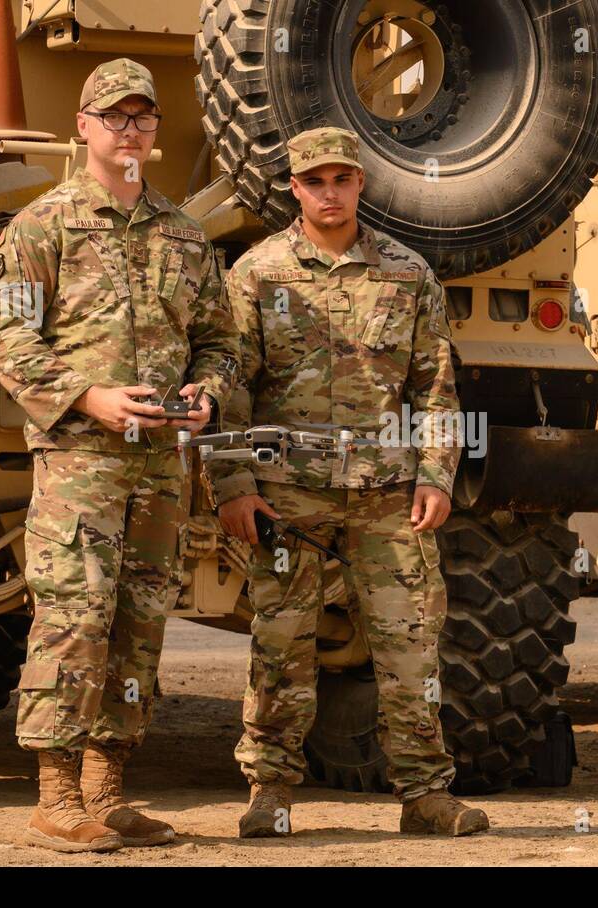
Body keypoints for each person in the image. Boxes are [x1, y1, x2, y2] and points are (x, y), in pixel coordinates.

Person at [0, 58, 238, 853]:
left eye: (143, 118)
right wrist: (87, 395)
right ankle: (54, 794)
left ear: (155, 133)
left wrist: (208, 393)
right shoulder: (44, 226)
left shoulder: (185, 236)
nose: (129, 131)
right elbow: (4, 336)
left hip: (162, 465)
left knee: (140, 623)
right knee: (72, 619)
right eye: (114, 117)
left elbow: (221, 342)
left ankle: (107, 790)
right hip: (81, 461)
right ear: (84, 129)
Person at [209, 126, 489, 838]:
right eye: (313, 182)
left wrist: (437, 475)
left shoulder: (407, 273)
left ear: (361, 182)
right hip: (287, 493)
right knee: (282, 642)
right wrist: (232, 485)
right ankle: (270, 792)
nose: (328, 194)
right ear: (294, 189)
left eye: (341, 179)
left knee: (410, 641)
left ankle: (425, 793)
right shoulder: (257, 273)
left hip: (387, 491)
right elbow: (227, 384)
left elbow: (433, 387)